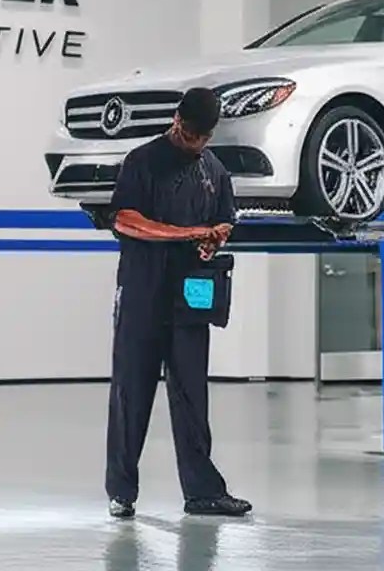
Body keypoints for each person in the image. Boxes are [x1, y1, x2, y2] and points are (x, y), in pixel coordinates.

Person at [104, 87, 252, 519]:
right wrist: (185, 234)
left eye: (202, 138)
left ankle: (203, 491)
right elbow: (125, 219)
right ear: (176, 119)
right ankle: (122, 491)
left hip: (189, 294)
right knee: (132, 391)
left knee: (191, 392)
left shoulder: (215, 171)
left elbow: (226, 218)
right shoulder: (142, 161)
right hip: (142, 290)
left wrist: (214, 238)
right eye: (188, 134)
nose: (193, 143)